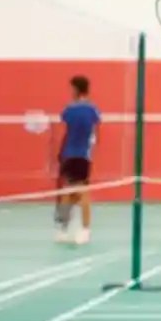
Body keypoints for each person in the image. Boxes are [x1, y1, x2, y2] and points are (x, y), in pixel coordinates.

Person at [55, 75, 100, 245]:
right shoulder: (93, 110)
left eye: (71, 88)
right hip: (82, 157)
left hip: (71, 155)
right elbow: (95, 133)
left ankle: (72, 230)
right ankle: (76, 229)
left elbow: (64, 133)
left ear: (75, 89)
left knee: (74, 192)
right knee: (76, 192)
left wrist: (60, 153)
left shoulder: (69, 110)